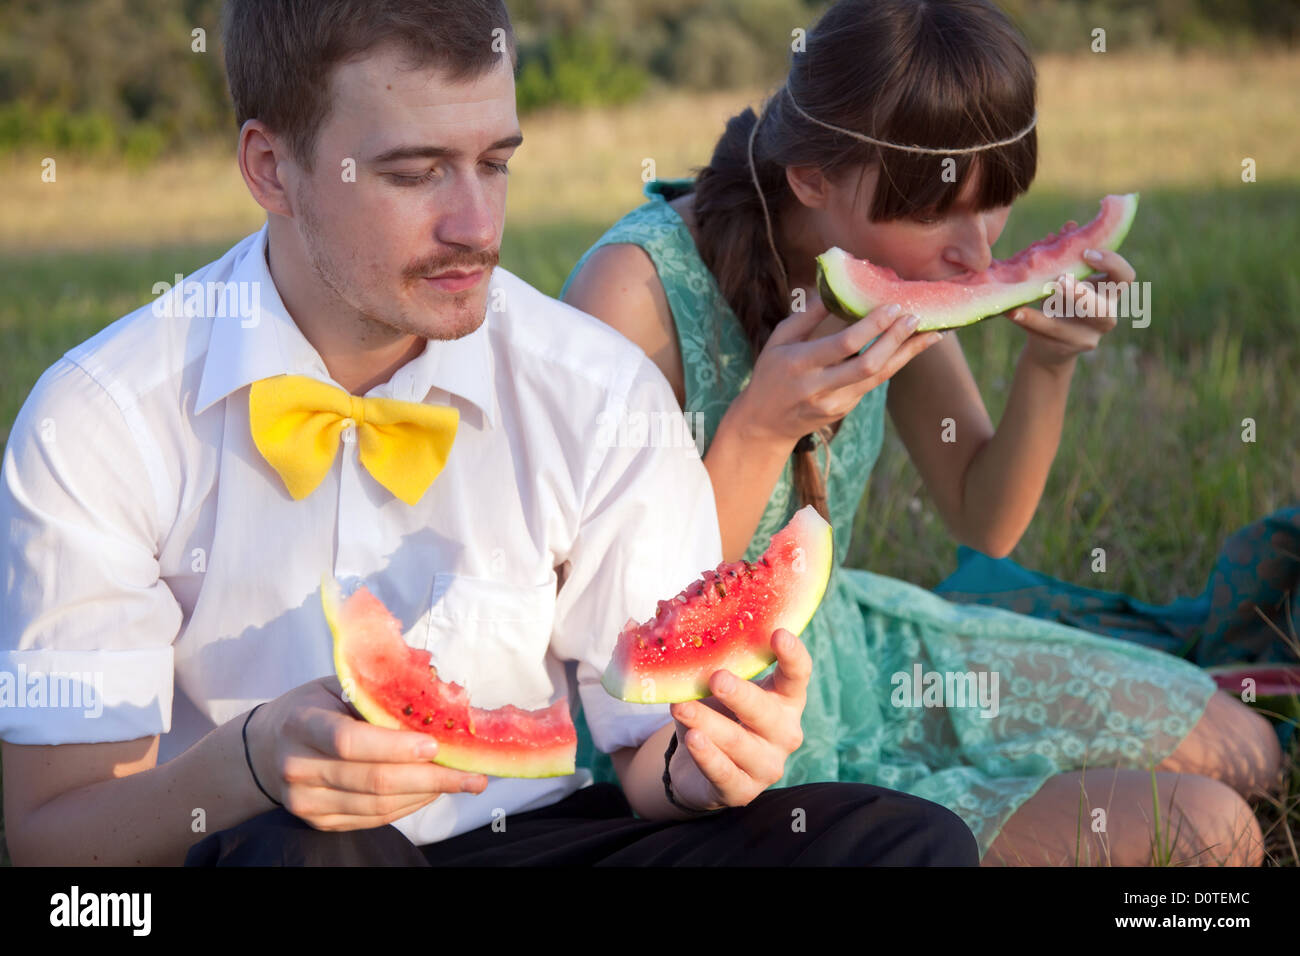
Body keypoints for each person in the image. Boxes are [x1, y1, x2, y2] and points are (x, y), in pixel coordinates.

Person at [0, 0, 979, 867]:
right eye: (415, 172)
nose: (475, 223)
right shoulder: (101, 418)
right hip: (268, 835)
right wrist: (250, 763)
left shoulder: (593, 386)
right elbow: (53, 835)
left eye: (494, 162)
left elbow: (646, 754)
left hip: (544, 833)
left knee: (907, 838)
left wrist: (703, 762)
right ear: (272, 167)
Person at [561, 0, 1284, 866]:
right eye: (939, 211)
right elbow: (621, 621)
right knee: (1216, 834)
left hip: (857, 649)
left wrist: (1047, 369)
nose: (977, 259)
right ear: (810, 180)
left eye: (1000, 203)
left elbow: (985, 517)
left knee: (1251, 750)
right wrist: (759, 429)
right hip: (719, 729)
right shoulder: (629, 297)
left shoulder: (888, 274)